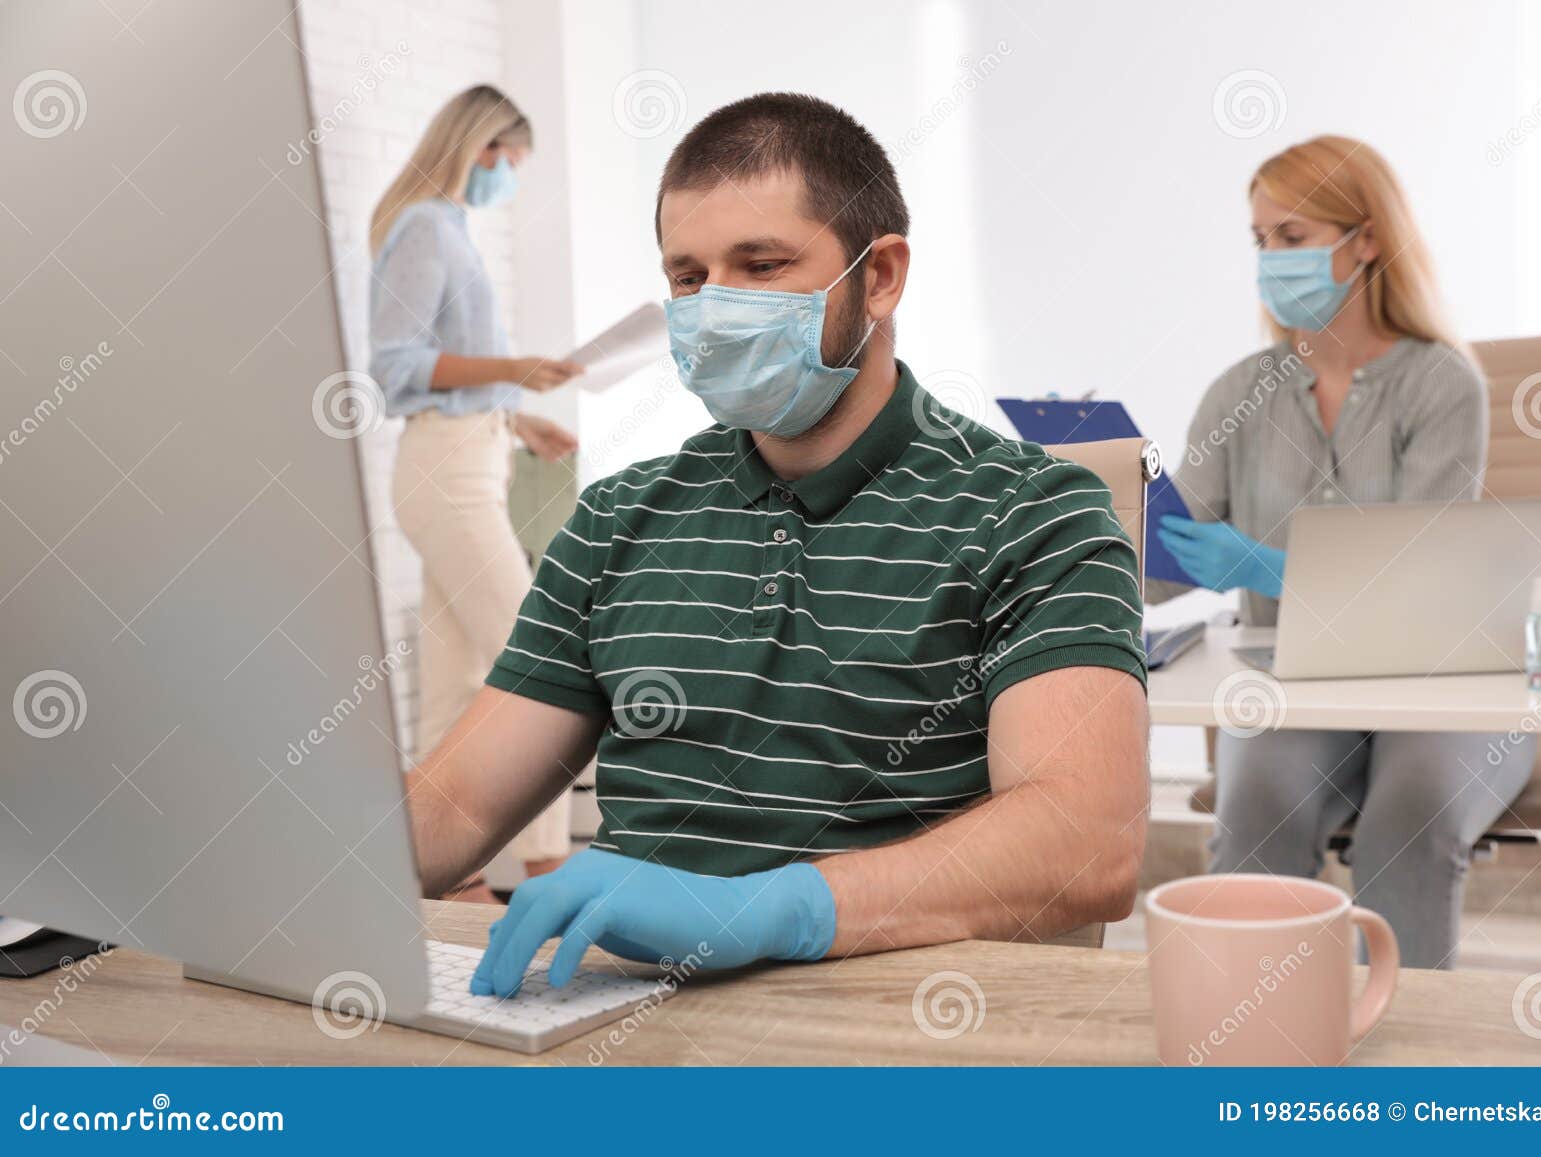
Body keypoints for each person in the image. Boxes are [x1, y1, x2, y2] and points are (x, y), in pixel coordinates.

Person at [405, 93, 1150, 995]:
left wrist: (773, 909)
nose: (717, 306)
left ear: (881, 276)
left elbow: (1087, 841)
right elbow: (458, 804)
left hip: (888, 1026)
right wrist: (288, 856)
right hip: (615, 1018)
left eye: (761, 265)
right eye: (689, 278)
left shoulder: (1034, 513)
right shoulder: (618, 518)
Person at [1153, 135, 1527, 969]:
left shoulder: (1442, 385)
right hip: (1297, 685)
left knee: (1409, 823)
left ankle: (1392, 1034)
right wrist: (1090, 494)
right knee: (1257, 814)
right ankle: (1251, 1030)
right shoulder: (1238, 393)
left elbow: (1420, 584)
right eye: (1260, 239)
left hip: (1437, 683)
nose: (1270, 259)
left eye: (1292, 236)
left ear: (1367, 240)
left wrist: (1268, 567)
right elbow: (1160, 563)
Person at [368, 85, 584, 885]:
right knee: (542, 658)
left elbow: (451, 377)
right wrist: (514, 369)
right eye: (512, 161)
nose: (511, 178)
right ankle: (547, 866)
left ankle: (445, 883)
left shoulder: (450, 229)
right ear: (480, 146)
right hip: (446, 474)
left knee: (456, 680)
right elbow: (396, 366)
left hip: (469, 461)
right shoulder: (425, 227)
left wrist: (520, 419)